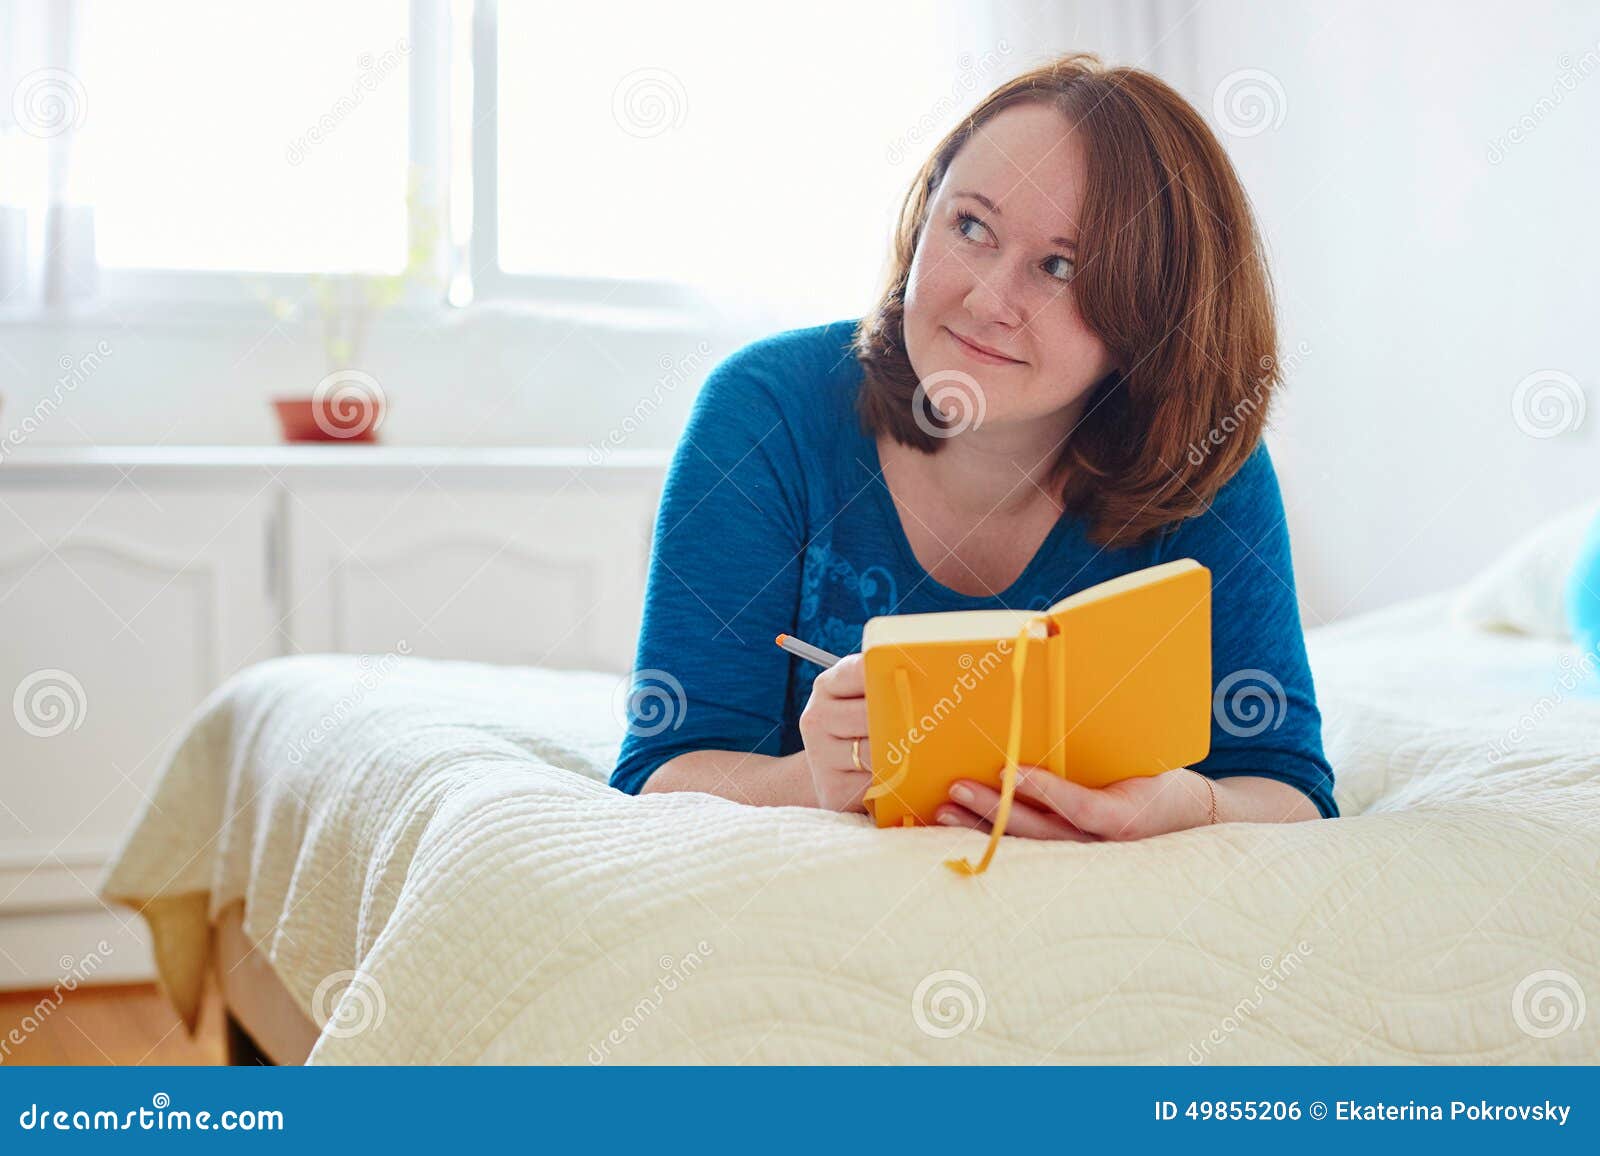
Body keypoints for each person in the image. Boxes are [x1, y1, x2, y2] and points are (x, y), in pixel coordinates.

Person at [609, 52, 1337, 842]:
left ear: (1153, 321)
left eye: (1060, 266)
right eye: (970, 226)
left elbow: (1290, 787)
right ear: (923, 220)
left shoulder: (1202, 459)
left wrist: (1189, 807)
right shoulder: (767, 412)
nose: (988, 299)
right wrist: (808, 782)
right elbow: (660, 774)